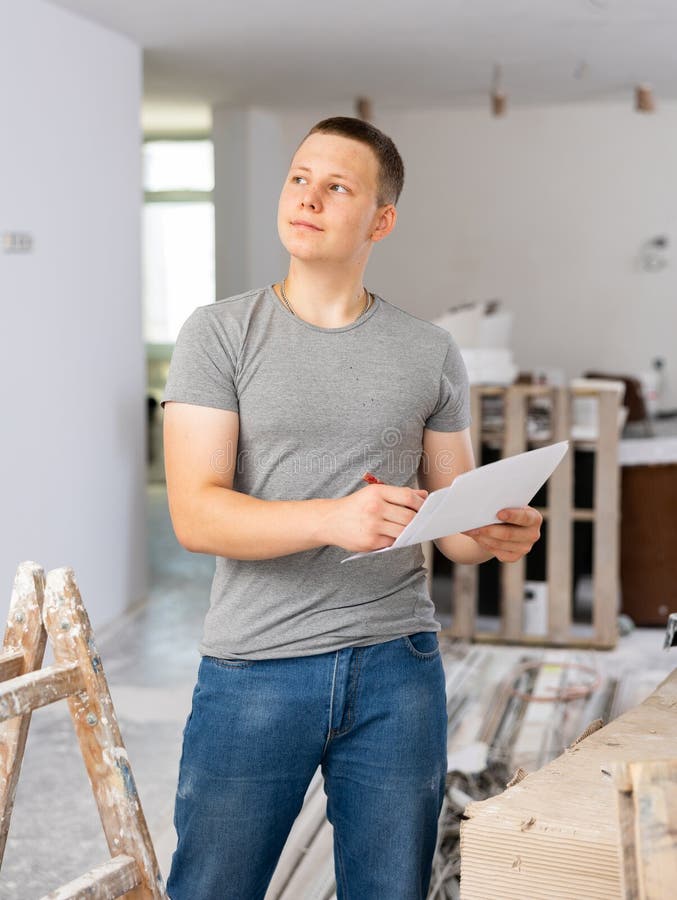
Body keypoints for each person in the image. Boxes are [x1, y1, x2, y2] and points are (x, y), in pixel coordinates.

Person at [161, 116, 542, 900]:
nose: (308, 197)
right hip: (255, 670)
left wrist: (496, 533)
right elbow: (196, 515)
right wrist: (331, 518)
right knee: (212, 889)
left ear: (380, 219)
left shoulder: (428, 350)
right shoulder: (219, 334)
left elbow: (454, 518)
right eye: (299, 178)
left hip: (396, 669)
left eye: (337, 186)